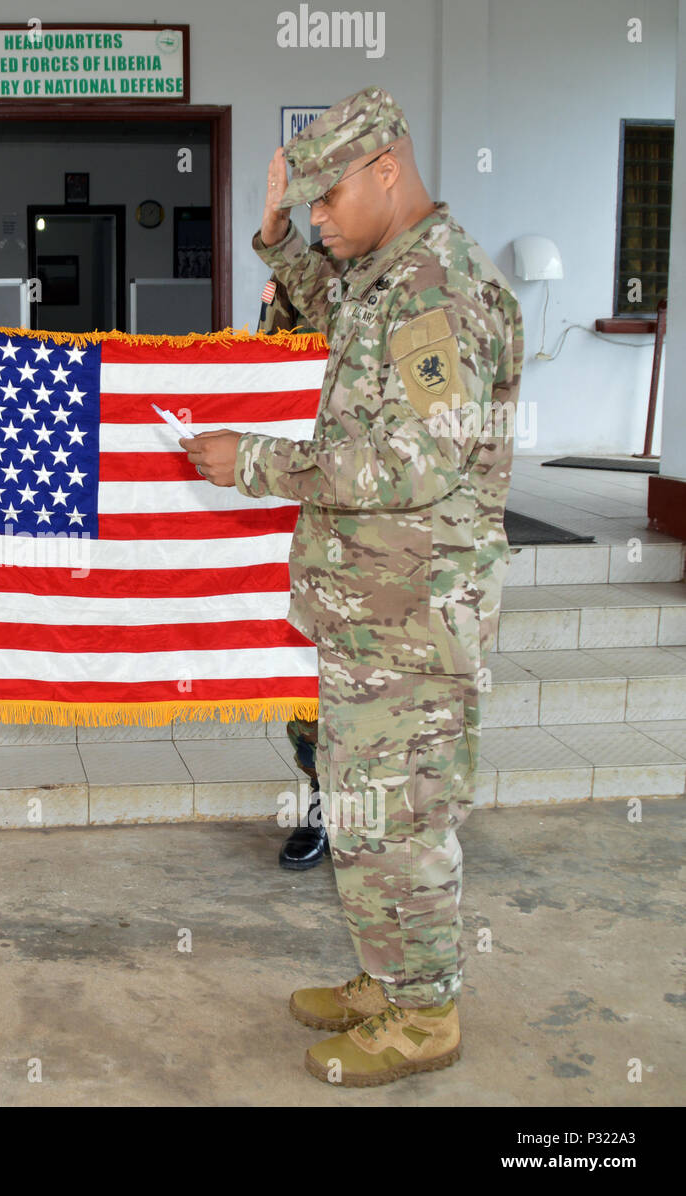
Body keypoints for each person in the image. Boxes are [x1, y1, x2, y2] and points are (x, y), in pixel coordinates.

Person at [183, 86, 521, 1086]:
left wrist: (250, 461)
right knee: (365, 809)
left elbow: (409, 465)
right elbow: (328, 303)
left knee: (396, 819)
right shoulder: (385, 275)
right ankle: (391, 975)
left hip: (412, 620)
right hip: (376, 611)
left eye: (328, 199)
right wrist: (279, 237)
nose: (319, 217)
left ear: (387, 170)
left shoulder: (437, 293)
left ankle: (423, 1015)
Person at [259, 242, 332, 873]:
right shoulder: (291, 282)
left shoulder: (410, 287)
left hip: (386, 514)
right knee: (310, 674)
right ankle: (321, 811)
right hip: (305, 497)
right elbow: (261, 374)